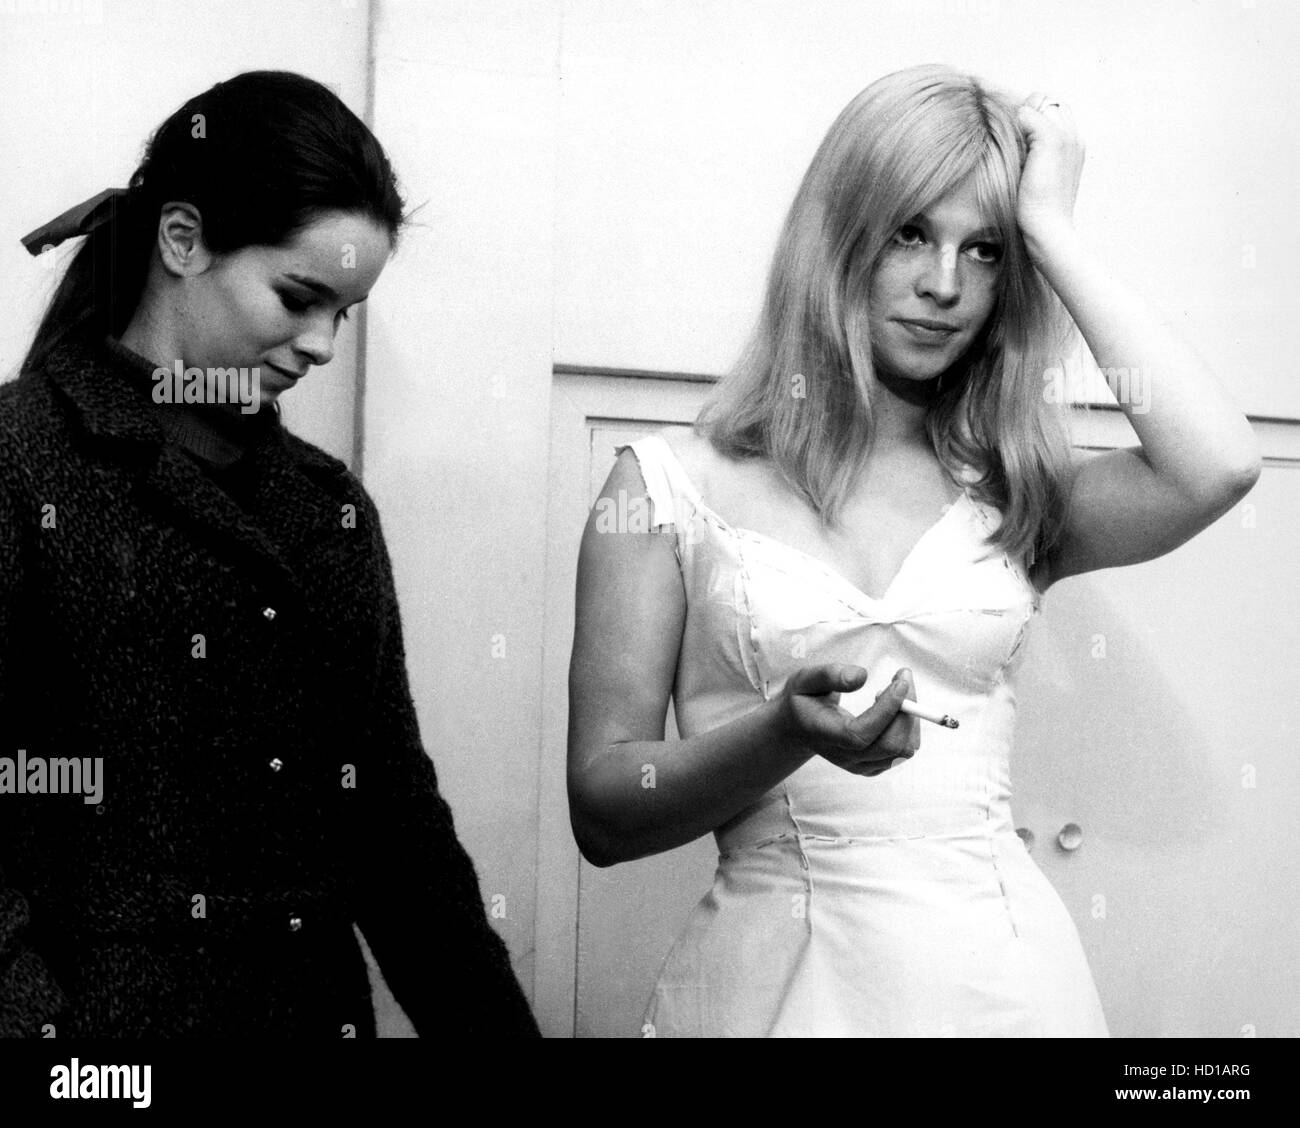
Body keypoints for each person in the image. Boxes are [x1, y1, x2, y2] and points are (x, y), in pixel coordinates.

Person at [566, 63, 1261, 1037]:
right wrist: (787, 733)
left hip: (1008, 991)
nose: (945, 286)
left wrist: (1052, 232)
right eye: (909, 234)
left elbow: (1217, 466)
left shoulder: (1014, 491)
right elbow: (602, 812)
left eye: (984, 251)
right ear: (837, 236)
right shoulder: (661, 488)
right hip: (771, 991)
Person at [0, 70, 539, 1037]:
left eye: (345, 312)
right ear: (183, 240)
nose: (322, 345)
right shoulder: (21, 461)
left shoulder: (328, 510)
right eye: (299, 297)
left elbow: (397, 832)